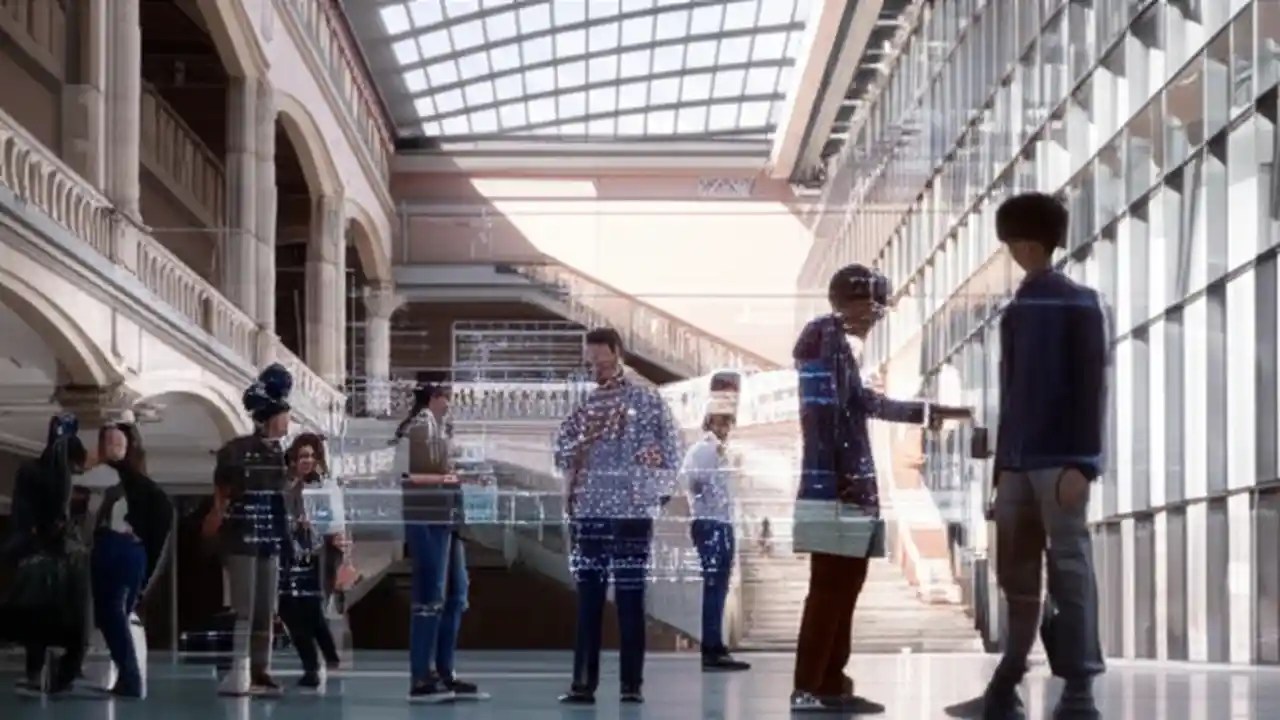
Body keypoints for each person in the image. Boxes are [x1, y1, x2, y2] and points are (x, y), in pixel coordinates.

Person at [946, 193, 1106, 720]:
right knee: (1023, 578)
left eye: (1012, 242)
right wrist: (1002, 469)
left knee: (1066, 573)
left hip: (1055, 463)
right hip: (1020, 464)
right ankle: (1006, 686)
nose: (1010, 251)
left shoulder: (1075, 302)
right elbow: (1014, 394)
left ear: (1028, 243)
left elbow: (1090, 387)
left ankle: (1077, 691)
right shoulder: (1022, 306)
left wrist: (1085, 464)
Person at [790, 264, 972, 714]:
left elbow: (860, 404)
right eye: (871, 306)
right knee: (831, 587)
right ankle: (812, 686)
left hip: (845, 487)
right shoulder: (824, 339)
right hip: (837, 489)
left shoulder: (835, 345)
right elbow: (831, 415)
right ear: (847, 300)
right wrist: (844, 481)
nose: (875, 317)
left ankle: (830, 682)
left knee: (845, 585)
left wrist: (926, 411)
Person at [555, 327, 682, 705]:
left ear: (617, 353)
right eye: (590, 360)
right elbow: (561, 452)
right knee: (590, 601)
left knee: (629, 598)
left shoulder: (646, 399)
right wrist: (581, 447)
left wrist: (653, 495)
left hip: (629, 514)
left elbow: (673, 451)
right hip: (592, 513)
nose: (594, 366)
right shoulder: (586, 405)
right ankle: (584, 685)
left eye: (600, 358)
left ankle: (631, 686)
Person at [394, 380, 485, 703]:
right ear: (434, 398)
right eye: (447, 398)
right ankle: (422, 676)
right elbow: (407, 476)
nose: (450, 404)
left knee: (456, 594)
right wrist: (453, 478)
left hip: (446, 518)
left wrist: (458, 476)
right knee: (429, 596)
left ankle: (444, 672)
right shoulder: (418, 428)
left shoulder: (439, 429)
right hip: (426, 517)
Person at [211, 363, 295, 697]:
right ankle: (237, 669)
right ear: (272, 416)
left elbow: (283, 501)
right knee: (244, 610)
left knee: (265, 611)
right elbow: (222, 494)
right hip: (242, 538)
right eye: (285, 415)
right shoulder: (236, 450)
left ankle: (261, 671)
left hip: (269, 541)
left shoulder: (282, 457)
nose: (288, 422)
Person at [2, 414, 91, 696]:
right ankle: (66, 668)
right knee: (65, 617)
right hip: (58, 557)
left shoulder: (31, 471)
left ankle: (36, 671)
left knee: (35, 620)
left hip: (36, 554)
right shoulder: (59, 476)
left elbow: (22, 514)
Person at [87, 415, 173, 698]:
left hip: (121, 550)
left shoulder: (135, 483)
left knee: (112, 614)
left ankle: (130, 678)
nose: (112, 446)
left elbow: (161, 514)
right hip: (109, 549)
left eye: (117, 441)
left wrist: (138, 536)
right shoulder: (107, 478)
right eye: (107, 441)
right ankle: (127, 677)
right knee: (110, 615)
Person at [678, 395, 749, 672]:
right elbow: (689, 481)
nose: (725, 427)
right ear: (709, 421)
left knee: (719, 586)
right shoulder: (702, 450)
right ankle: (710, 648)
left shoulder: (721, 452)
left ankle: (716, 645)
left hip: (722, 521)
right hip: (709, 522)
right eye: (720, 421)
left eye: (727, 422)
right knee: (713, 587)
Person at [278, 433, 344, 691]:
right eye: (301, 456)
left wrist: (313, 523)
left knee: (311, 610)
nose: (305, 461)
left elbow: (335, 523)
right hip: (291, 555)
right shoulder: (288, 485)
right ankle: (317, 662)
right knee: (291, 611)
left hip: (317, 555)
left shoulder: (325, 486)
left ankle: (320, 662)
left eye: (310, 456)